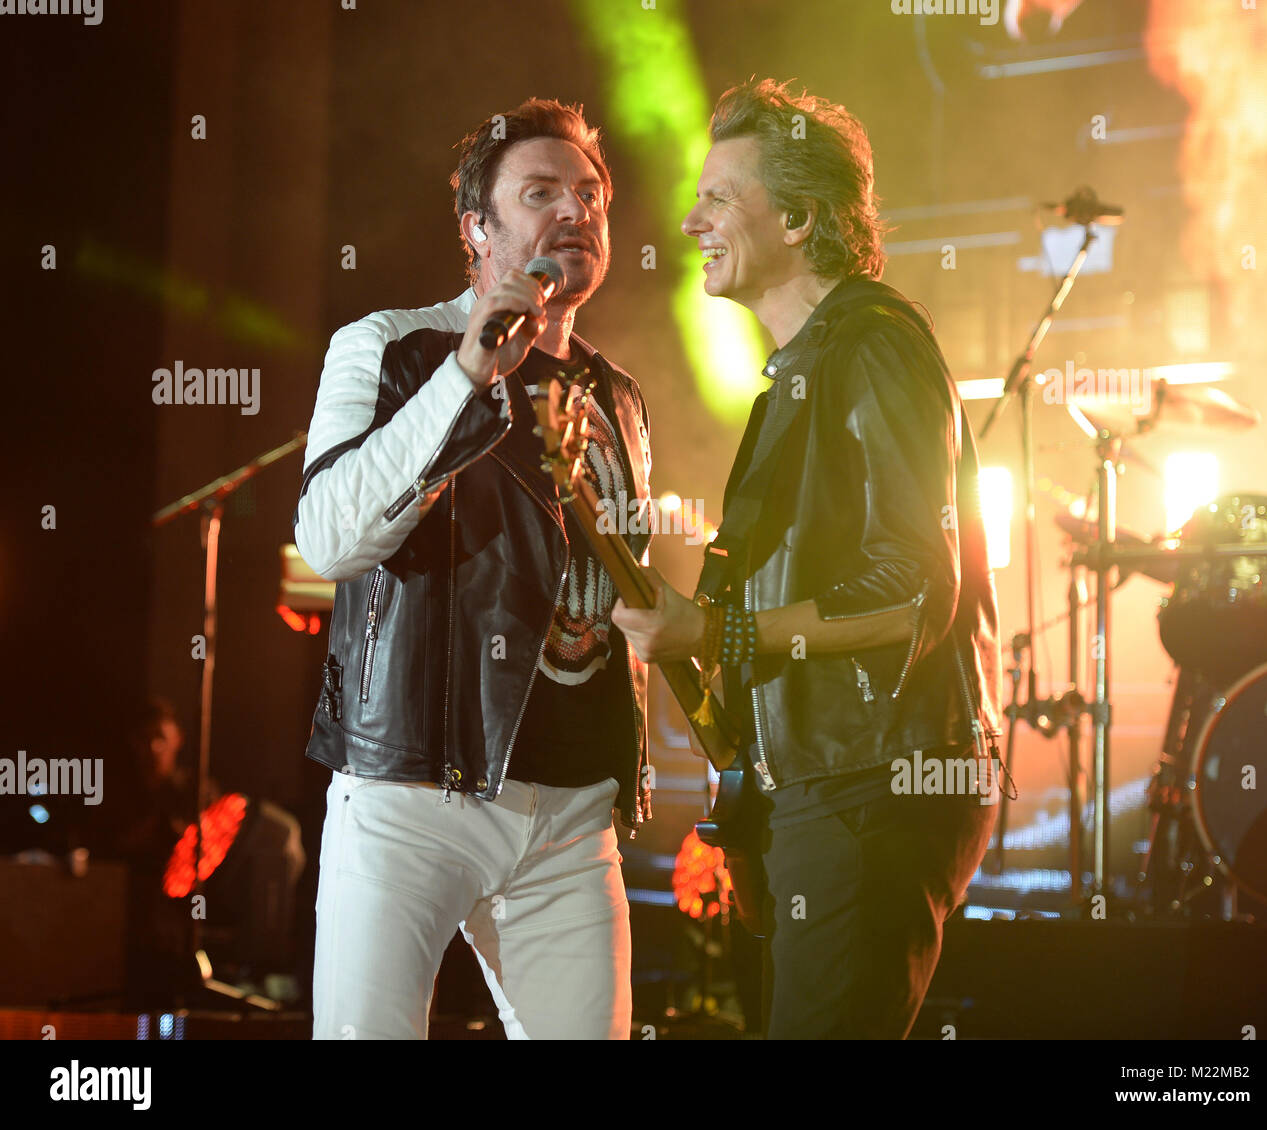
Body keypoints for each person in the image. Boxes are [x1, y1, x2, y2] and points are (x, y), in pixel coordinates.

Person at [612, 78, 1004, 1038]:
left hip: (875, 780)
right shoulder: (802, 370)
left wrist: (716, 626)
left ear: (796, 217)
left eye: (718, 197)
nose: (691, 218)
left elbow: (915, 590)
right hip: (816, 786)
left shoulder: (871, 345)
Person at [294, 98, 653, 1040]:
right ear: (477, 230)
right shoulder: (392, 347)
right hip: (414, 789)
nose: (574, 211)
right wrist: (466, 376)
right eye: (540, 193)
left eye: (590, 193)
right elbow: (330, 538)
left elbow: (610, 600)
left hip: (571, 814)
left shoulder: (619, 396)